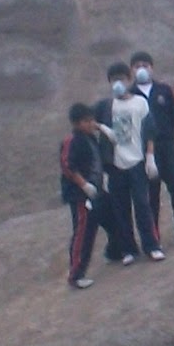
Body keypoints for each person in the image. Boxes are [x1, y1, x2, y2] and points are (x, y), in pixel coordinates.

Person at [93, 61, 163, 265]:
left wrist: (150, 158)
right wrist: (102, 130)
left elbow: (150, 130)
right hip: (115, 166)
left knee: (143, 206)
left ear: (128, 79)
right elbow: (88, 122)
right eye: (114, 80)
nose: (118, 83)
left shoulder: (140, 103)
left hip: (137, 163)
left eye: (121, 79)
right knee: (121, 209)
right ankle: (128, 250)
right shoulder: (105, 106)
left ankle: (152, 246)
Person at [130, 50, 174, 245]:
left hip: (168, 147)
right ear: (132, 70)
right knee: (150, 196)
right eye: (137, 66)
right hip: (143, 152)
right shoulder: (129, 96)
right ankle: (153, 238)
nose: (141, 69)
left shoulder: (164, 91)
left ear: (152, 68)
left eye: (145, 65)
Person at [60, 102, 108, 289]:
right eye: (87, 121)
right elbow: (68, 167)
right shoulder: (72, 141)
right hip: (80, 196)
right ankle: (75, 275)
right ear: (77, 123)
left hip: (95, 192)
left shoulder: (91, 138)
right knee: (82, 232)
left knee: (92, 229)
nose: (91, 124)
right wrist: (84, 185)